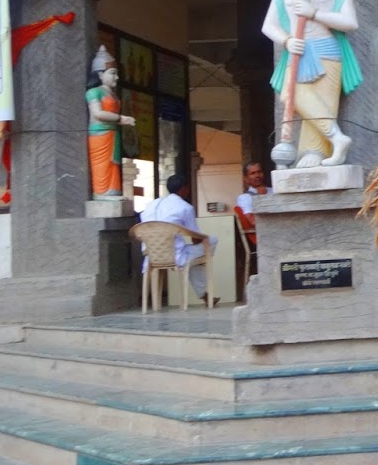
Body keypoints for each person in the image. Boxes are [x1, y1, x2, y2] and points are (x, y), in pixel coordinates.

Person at [262, 0, 361, 168]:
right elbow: (268, 26)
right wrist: (286, 40)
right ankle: (337, 138)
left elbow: (350, 23)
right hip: (297, 51)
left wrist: (314, 13)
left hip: (327, 51)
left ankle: (313, 153)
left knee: (322, 104)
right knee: (289, 94)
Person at [140, 174, 217, 304]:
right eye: (187, 188)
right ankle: (203, 291)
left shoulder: (151, 205)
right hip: (176, 256)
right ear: (183, 189)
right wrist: (202, 239)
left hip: (151, 255)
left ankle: (204, 292)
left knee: (194, 259)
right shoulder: (185, 207)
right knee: (211, 242)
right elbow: (195, 239)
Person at [86, 46, 135, 199]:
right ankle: (101, 193)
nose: (116, 77)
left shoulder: (113, 95)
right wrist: (120, 119)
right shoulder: (94, 92)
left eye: (116, 74)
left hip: (112, 133)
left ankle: (112, 191)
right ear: (100, 74)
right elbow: (97, 113)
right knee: (102, 164)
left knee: (113, 164)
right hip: (99, 133)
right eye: (112, 73)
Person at [235, 162, 269, 233]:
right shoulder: (244, 198)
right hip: (264, 234)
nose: (257, 175)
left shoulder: (274, 191)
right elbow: (253, 221)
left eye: (259, 172)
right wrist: (261, 197)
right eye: (252, 173)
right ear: (246, 178)